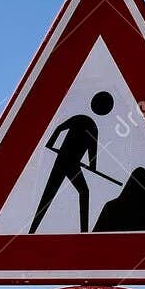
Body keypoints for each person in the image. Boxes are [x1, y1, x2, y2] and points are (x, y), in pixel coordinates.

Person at [28, 91, 114, 233]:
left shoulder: (88, 124)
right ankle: (32, 231)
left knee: (59, 194)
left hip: (71, 163)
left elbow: (92, 150)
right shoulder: (87, 123)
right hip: (63, 160)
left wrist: (93, 167)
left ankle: (84, 232)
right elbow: (62, 129)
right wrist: (50, 143)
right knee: (51, 194)